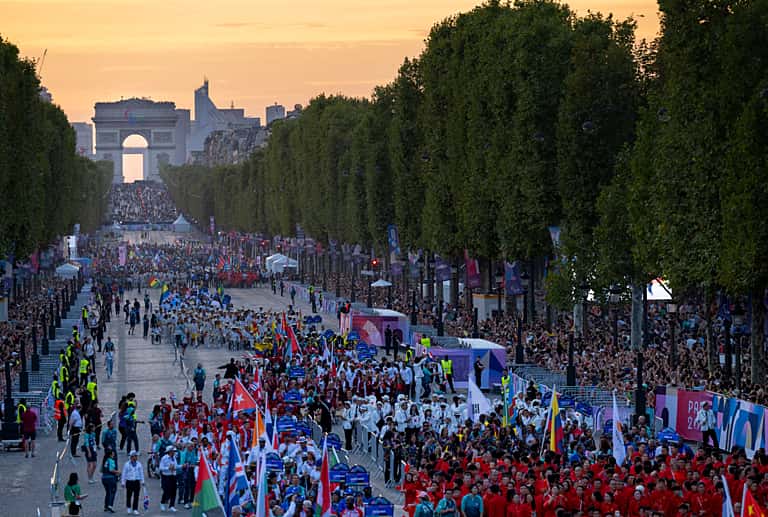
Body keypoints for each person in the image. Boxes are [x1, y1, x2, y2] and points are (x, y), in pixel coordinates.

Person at [122, 450, 145, 515]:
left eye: (136, 456)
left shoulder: (139, 464)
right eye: (135, 456)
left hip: (136, 482)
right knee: (129, 495)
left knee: (136, 496)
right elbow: (124, 473)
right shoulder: (127, 464)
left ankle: (135, 509)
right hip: (129, 482)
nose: (136, 457)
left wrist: (142, 481)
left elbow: (141, 473)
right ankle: (128, 507)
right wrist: (123, 482)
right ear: (131, 457)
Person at [159, 445, 178, 512]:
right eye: (173, 451)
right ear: (169, 451)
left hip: (173, 476)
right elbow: (161, 468)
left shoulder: (174, 458)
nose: (174, 452)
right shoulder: (164, 458)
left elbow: (175, 466)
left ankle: (171, 506)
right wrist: (168, 468)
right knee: (166, 490)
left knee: (174, 491)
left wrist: (181, 466)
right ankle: (162, 503)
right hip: (166, 476)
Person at [101, 447, 120, 513]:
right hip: (111, 478)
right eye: (113, 454)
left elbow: (101, 470)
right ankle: (110, 505)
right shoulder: (111, 461)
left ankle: (105, 506)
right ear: (110, 455)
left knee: (108, 492)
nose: (113, 455)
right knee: (113, 491)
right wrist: (117, 472)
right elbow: (111, 470)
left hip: (104, 478)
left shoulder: (105, 461)